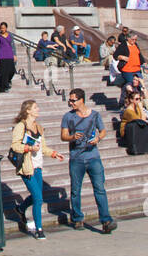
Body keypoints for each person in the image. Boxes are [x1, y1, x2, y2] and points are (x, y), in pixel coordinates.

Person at [60, 89, 115, 233]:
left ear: (81, 100)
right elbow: (63, 136)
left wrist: (98, 138)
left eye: (73, 100)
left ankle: (106, 220)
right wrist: (72, 137)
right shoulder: (68, 117)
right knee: (75, 190)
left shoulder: (95, 115)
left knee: (100, 189)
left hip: (93, 157)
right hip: (76, 158)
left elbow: (102, 131)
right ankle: (77, 218)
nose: (71, 103)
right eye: (70, 100)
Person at [10, 99, 65, 239]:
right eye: (35, 107)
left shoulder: (38, 127)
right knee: (38, 198)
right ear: (27, 110)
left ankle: (20, 208)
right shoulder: (20, 127)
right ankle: (39, 229)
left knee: (37, 195)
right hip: (27, 167)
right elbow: (15, 146)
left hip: (38, 166)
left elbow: (43, 147)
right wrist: (28, 148)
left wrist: (53, 153)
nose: (38, 109)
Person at [0, 22, 17, 93]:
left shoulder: (10, 35)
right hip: (2, 56)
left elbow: (13, 46)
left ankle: (8, 80)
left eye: (3, 28)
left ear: (6, 28)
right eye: (1, 28)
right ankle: (4, 88)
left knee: (12, 71)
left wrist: (14, 54)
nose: (2, 29)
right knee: (4, 73)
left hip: (10, 55)